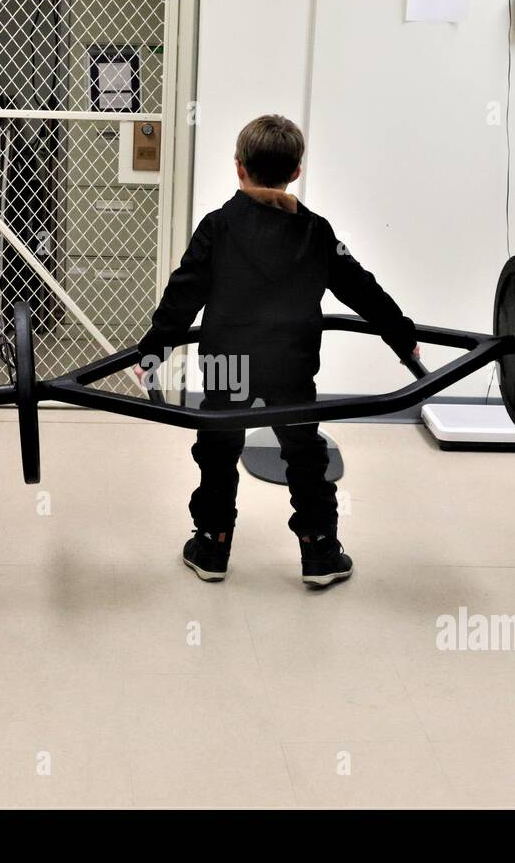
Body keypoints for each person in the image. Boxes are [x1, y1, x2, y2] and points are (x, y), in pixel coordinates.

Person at [134, 115, 418, 588]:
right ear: (297, 172)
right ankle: (321, 553)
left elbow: (183, 294)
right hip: (290, 365)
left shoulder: (218, 228)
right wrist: (400, 333)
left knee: (219, 449)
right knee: (304, 453)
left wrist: (154, 351)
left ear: (238, 168)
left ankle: (211, 545)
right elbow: (362, 290)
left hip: (229, 364)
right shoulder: (317, 233)